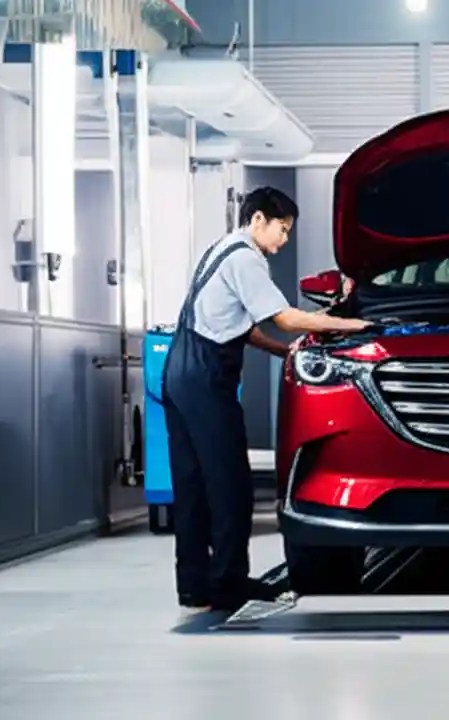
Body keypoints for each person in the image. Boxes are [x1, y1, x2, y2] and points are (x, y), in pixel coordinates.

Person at [162, 186, 370, 613]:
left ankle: (195, 585)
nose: (284, 239)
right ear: (258, 219)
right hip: (205, 379)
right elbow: (286, 317)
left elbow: (247, 328)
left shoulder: (219, 250)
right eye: (283, 228)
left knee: (193, 485)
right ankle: (230, 584)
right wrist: (351, 325)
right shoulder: (246, 260)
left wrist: (283, 351)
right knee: (230, 483)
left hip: (180, 373)